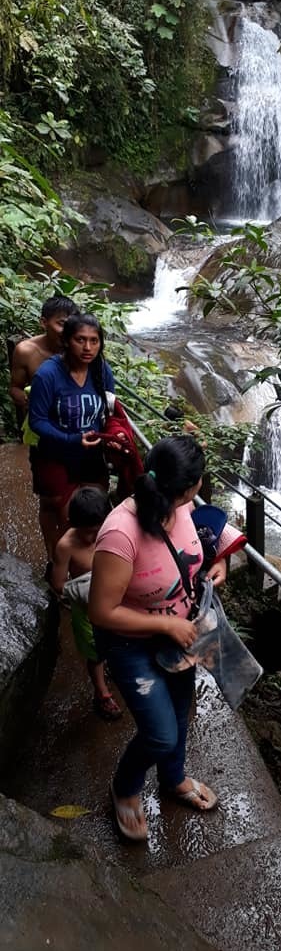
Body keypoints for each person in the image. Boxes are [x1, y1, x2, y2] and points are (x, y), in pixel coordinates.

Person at [88, 435, 246, 841]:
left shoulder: (182, 505)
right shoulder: (120, 535)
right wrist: (165, 625)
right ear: (189, 485)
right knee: (159, 732)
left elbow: (210, 538)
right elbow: (102, 611)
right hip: (133, 642)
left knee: (179, 716)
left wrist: (221, 562)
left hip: (180, 634)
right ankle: (125, 788)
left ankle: (173, 779)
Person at [28, 311, 115, 542]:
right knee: (54, 504)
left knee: (94, 509)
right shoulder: (47, 375)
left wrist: (114, 436)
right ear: (67, 341)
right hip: (55, 452)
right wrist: (72, 439)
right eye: (80, 339)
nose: (88, 347)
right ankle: (55, 557)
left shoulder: (102, 370)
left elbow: (110, 408)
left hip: (91, 453)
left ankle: (87, 563)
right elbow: (37, 421)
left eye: (94, 341)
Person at [9, 295, 80, 564]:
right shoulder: (26, 351)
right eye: (61, 324)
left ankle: (74, 557)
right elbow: (14, 387)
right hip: (43, 434)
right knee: (50, 499)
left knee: (78, 499)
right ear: (44, 323)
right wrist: (29, 400)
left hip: (76, 434)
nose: (67, 330)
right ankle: (54, 556)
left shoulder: (78, 346)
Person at [50, 486, 122, 720]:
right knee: (95, 651)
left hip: (112, 598)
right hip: (86, 607)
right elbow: (59, 583)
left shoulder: (110, 533)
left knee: (118, 638)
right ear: (72, 523)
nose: (93, 538)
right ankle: (101, 693)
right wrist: (83, 590)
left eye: (97, 530)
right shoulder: (66, 546)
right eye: (87, 533)